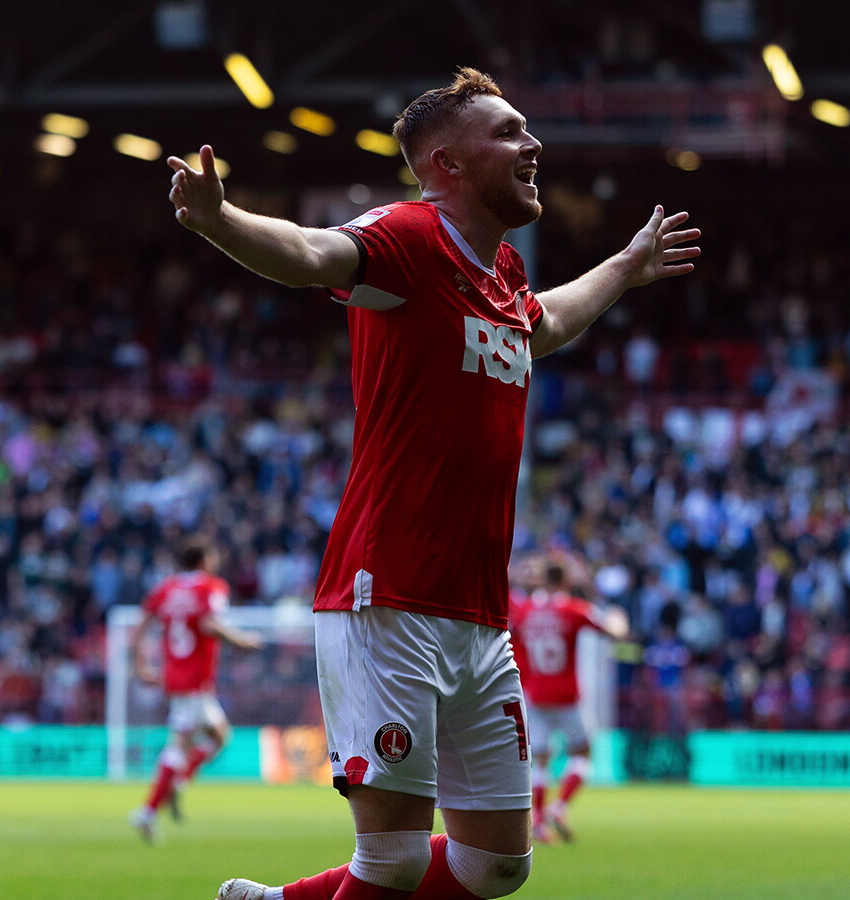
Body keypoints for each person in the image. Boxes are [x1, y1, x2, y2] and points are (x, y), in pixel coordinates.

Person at [171, 67, 699, 900]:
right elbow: (314, 253)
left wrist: (625, 267)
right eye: (509, 132)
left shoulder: (505, 278)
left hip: (479, 613)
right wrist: (218, 220)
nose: (533, 145)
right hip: (391, 594)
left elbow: (548, 322)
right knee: (395, 862)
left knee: (496, 866)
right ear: (446, 164)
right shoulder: (411, 239)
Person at [129, 539, 263, 844]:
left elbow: (140, 626)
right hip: (194, 679)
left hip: (177, 677)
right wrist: (241, 640)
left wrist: (140, 665)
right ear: (204, 560)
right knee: (178, 744)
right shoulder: (210, 587)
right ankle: (147, 812)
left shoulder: (165, 589)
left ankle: (178, 782)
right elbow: (208, 623)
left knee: (220, 736)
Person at [509, 560, 628, 843]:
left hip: (535, 693)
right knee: (583, 753)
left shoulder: (524, 611)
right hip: (566, 695)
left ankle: (537, 820)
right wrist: (619, 616)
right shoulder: (574, 609)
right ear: (565, 581)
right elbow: (615, 632)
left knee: (540, 762)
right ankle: (559, 807)